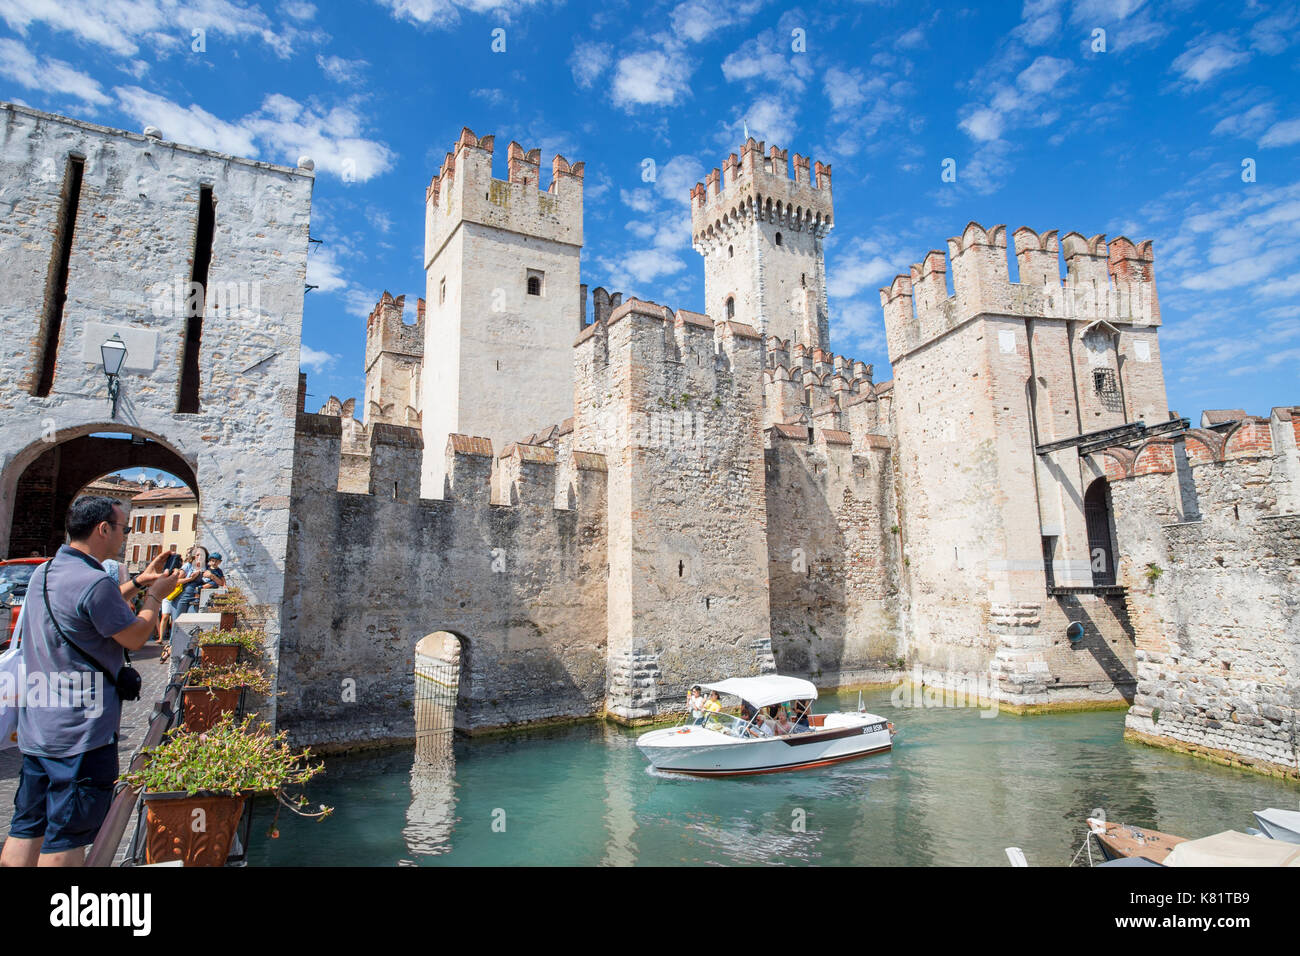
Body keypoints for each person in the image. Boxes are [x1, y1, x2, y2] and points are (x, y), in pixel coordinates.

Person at [1, 496, 180, 867]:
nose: (125, 536)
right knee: (67, 835)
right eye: (124, 528)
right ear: (103, 529)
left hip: (38, 726)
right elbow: (133, 636)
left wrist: (137, 582)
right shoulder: (94, 582)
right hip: (81, 731)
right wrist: (153, 595)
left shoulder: (45, 572)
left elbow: (88, 608)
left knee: (26, 827)